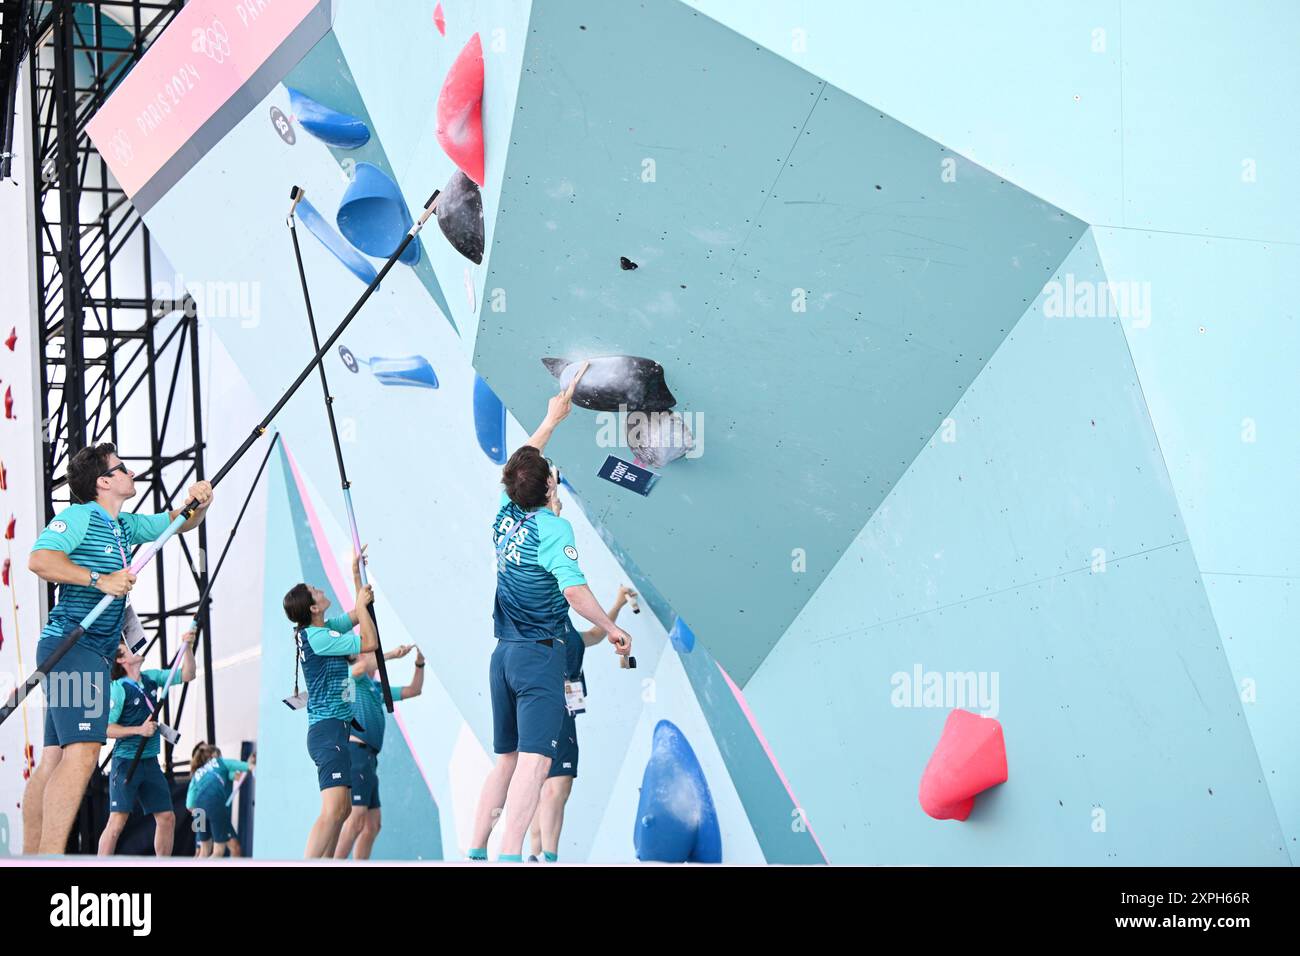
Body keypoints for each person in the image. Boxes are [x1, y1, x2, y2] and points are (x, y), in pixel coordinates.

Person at [468, 368, 633, 862]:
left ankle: (476, 848)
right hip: (538, 660)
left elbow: (522, 463)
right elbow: (577, 592)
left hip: (502, 657)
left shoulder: (504, 512)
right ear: (547, 488)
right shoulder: (554, 531)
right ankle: (512, 855)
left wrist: (550, 419)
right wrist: (612, 626)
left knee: (506, 760)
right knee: (536, 764)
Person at [23, 443, 213, 855]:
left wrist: (198, 504)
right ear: (103, 481)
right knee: (84, 753)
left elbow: (180, 523)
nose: (130, 472)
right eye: (121, 468)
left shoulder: (124, 526)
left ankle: (31, 856)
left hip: (89, 652)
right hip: (74, 647)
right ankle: (48, 859)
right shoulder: (80, 516)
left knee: (56, 757)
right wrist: (99, 579)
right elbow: (39, 560)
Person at [528, 585, 637, 863]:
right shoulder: (541, 628)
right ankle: (547, 857)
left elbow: (595, 635)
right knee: (558, 784)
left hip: (552, 711)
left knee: (544, 788)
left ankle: (536, 854)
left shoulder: (564, 629)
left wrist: (617, 604)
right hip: (554, 710)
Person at [282, 549, 377, 858]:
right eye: (316, 592)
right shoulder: (318, 637)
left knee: (343, 809)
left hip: (334, 730)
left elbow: (355, 613)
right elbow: (369, 643)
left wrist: (354, 573)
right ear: (313, 608)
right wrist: (362, 606)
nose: (321, 590)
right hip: (326, 732)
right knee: (333, 809)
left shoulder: (323, 628)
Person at [97, 620, 197, 856]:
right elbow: (106, 729)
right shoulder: (119, 688)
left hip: (150, 761)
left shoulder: (151, 678)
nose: (136, 648)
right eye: (128, 649)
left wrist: (189, 648)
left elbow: (188, 674)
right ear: (121, 659)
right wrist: (138, 730)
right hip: (126, 762)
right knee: (117, 823)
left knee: (167, 817)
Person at [333, 643, 426, 859]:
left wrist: (419, 662)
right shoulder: (352, 677)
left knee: (373, 825)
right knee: (356, 818)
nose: (372, 657)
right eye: (368, 653)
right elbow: (359, 667)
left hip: (369, 760)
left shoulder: (376, 688)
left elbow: (414, 690)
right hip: (356, 754)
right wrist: (393, 654)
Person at [185, 742, 253, 858]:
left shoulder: (198, 774)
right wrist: (250, 762)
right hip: (215, 808)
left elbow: (189, 805)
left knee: (202, 851)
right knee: (219, 851)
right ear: (214, 757)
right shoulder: (221, 764)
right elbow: (245, 769)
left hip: (199, 810)